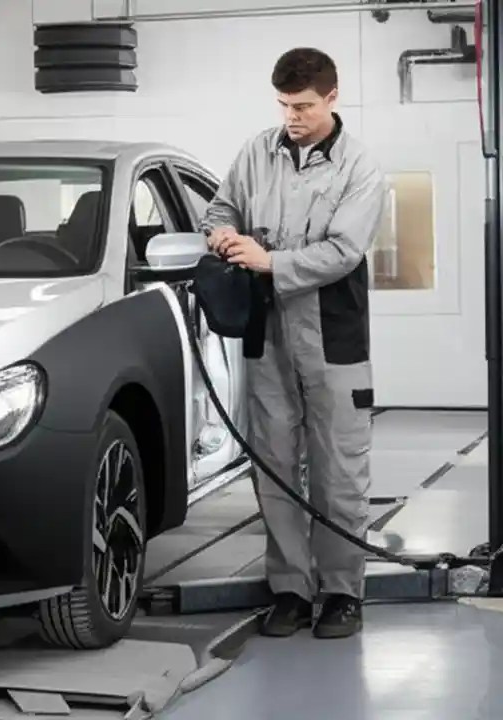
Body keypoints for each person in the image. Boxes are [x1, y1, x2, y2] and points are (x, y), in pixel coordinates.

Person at [200, 47, 386, 639]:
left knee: (339, 470)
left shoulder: (361, 168)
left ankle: (339, 592)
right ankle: (289, 589)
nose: (292, 117)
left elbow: (342, 253)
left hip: (332, 337)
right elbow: (220, 206)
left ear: (332, 97)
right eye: (283, 105)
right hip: (267, 333)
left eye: (303, 105)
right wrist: (222, 231)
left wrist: (270, 260)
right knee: (274, 464)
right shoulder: (258, 151)